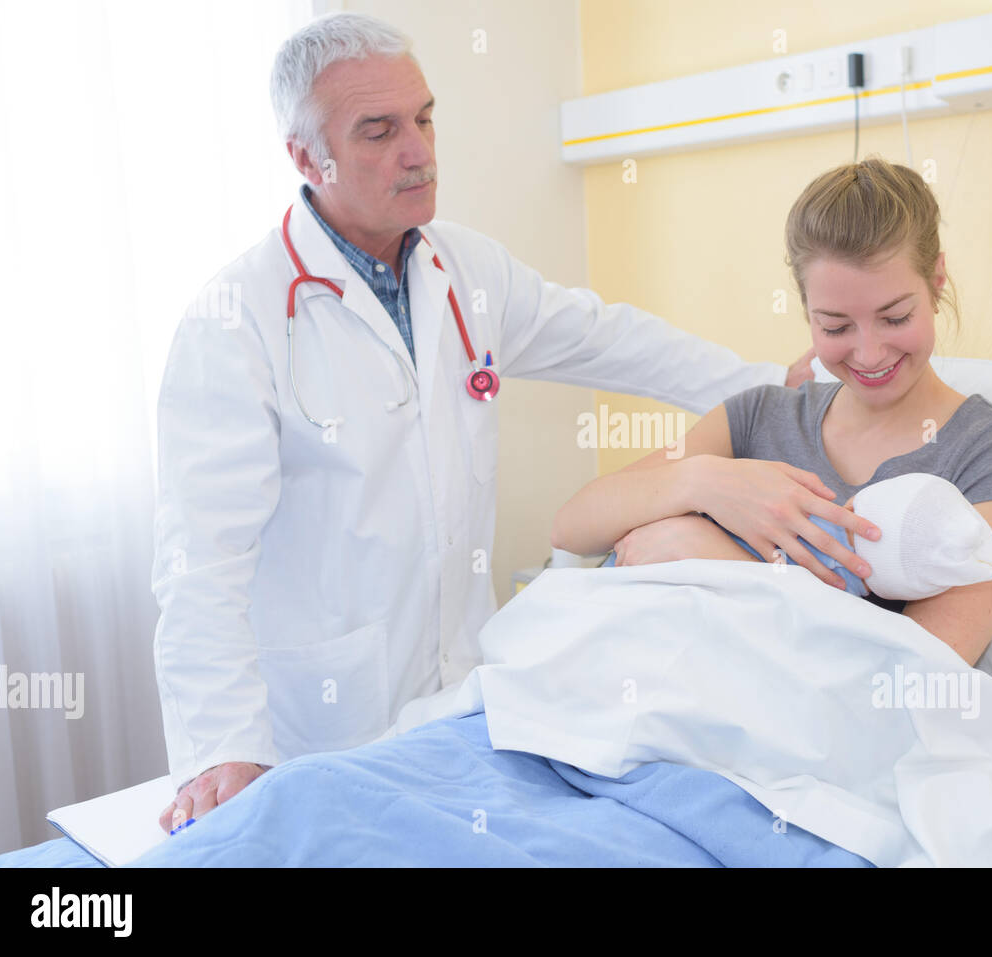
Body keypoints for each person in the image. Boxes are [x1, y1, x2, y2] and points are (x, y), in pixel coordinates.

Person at [153, 12, 813, 831]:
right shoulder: (237, 321)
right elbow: (200, 563)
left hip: (462, 705)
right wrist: (224, 749)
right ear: (304, 156)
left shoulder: (464, 268)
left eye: (425, 118)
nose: (419, 150)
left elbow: (612, 341)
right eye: (379, 131)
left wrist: (767, 388)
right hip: (315, 727)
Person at [552, 157, 992, 668]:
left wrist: (725, 562)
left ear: (938, 280)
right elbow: (571, 527)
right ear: (806, 309)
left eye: (895, 317)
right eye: (835, 327)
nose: (870, 352)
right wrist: (700, 481)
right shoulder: (761, 416)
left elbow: (922, 673)